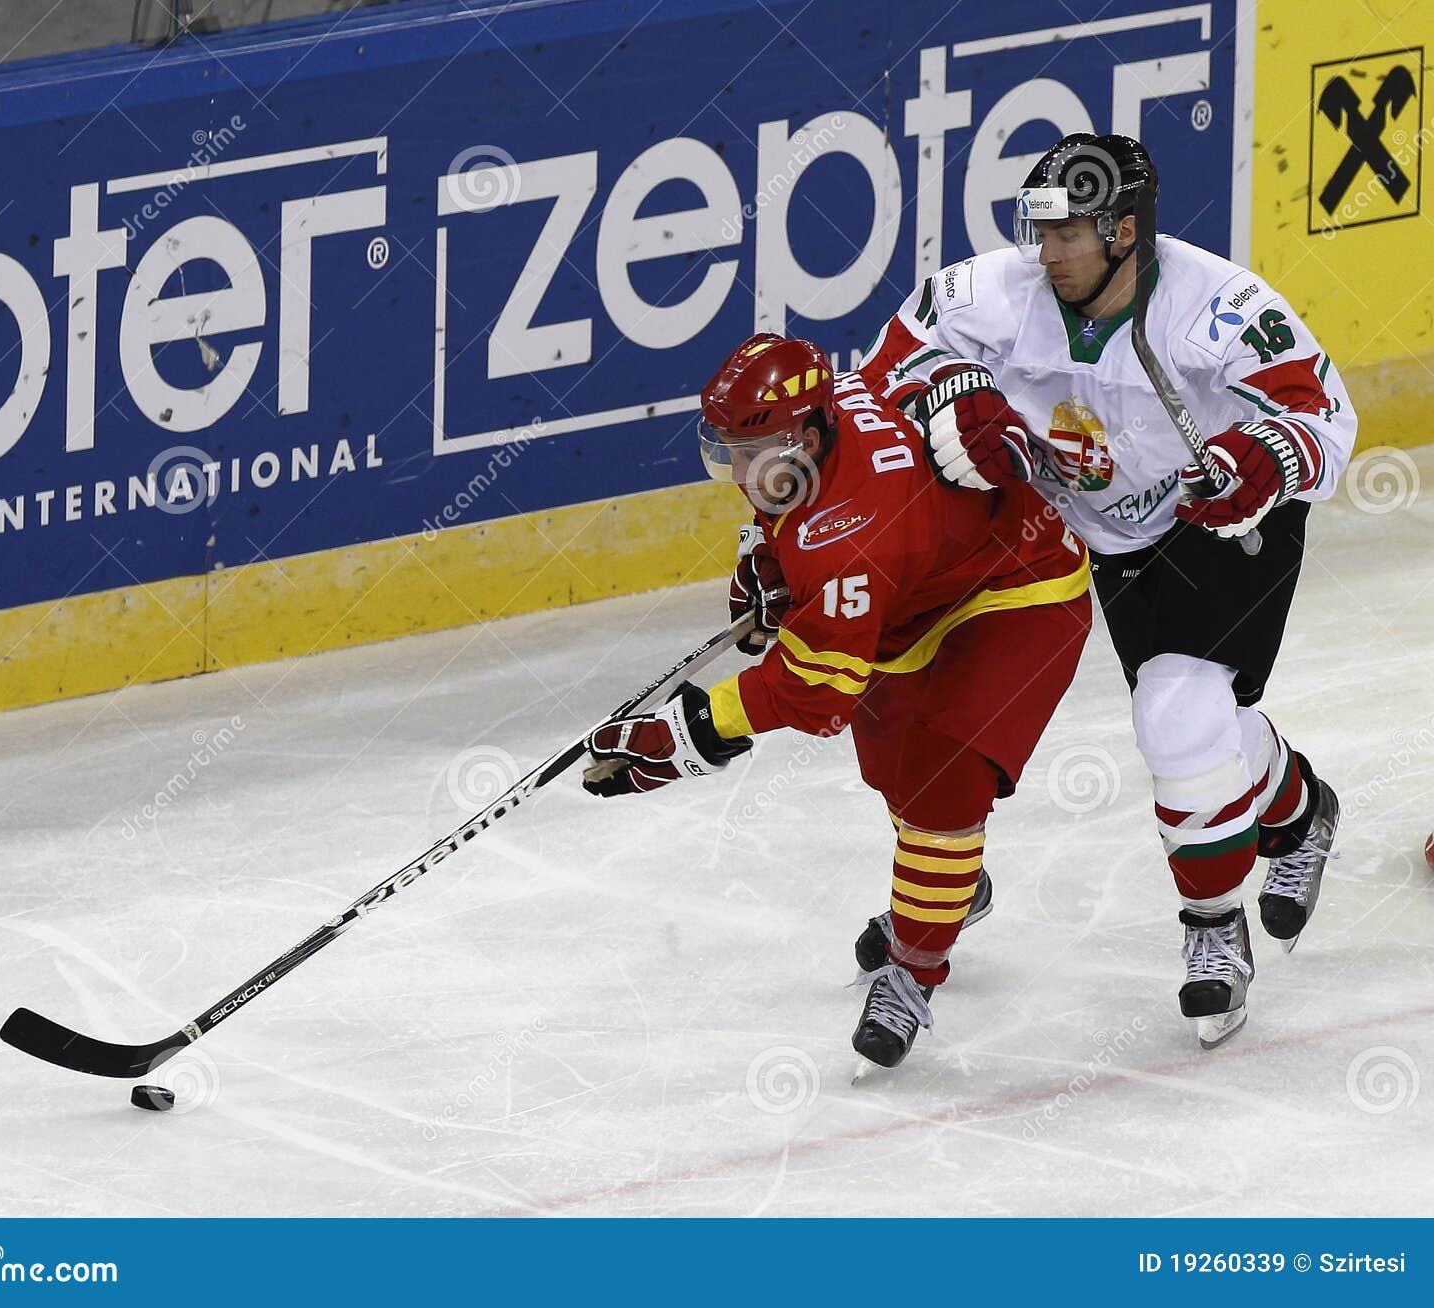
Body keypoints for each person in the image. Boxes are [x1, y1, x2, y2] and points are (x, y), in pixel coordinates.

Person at [858, 133, 1355, 1047]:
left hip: (1220, 518)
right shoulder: (992, 295)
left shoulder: (1223, 307)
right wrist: (949, 394)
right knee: (1181, 725)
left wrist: (1263, 457)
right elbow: (881, 372)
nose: (1044, 253)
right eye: (1037, 230)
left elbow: (1322, 413)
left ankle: (1215, 932)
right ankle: (1298, 810)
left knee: (1177, 715)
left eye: (1068, 235)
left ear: (1126, 232)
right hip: (1089, 533)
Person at [580, 333, 1092, 1070]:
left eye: (756, 450)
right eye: (729, 449)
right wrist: (769, 558)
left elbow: (818, 693)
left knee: (939, 782)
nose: (740, 470)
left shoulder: (848, 535)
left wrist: (690, 734)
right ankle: (951, 883)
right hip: (907, 600)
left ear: (810, 435)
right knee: (895, 776)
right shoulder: (826, 419)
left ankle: (911, 973)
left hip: (1015, 589)